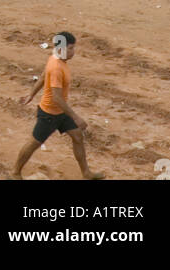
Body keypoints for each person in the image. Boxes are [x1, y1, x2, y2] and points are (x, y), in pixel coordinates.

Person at [12, 32, 104, 181]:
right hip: (49, 114)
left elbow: (42, 77)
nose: (74, 52)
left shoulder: (54, 57)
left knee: (77, 137)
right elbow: (56, 98)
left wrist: (31, 94)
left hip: (61, 112)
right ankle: (15, 172)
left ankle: (86, 173)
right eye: (71, 48)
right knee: (34, 143)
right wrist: (76, 117)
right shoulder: (56, 67)